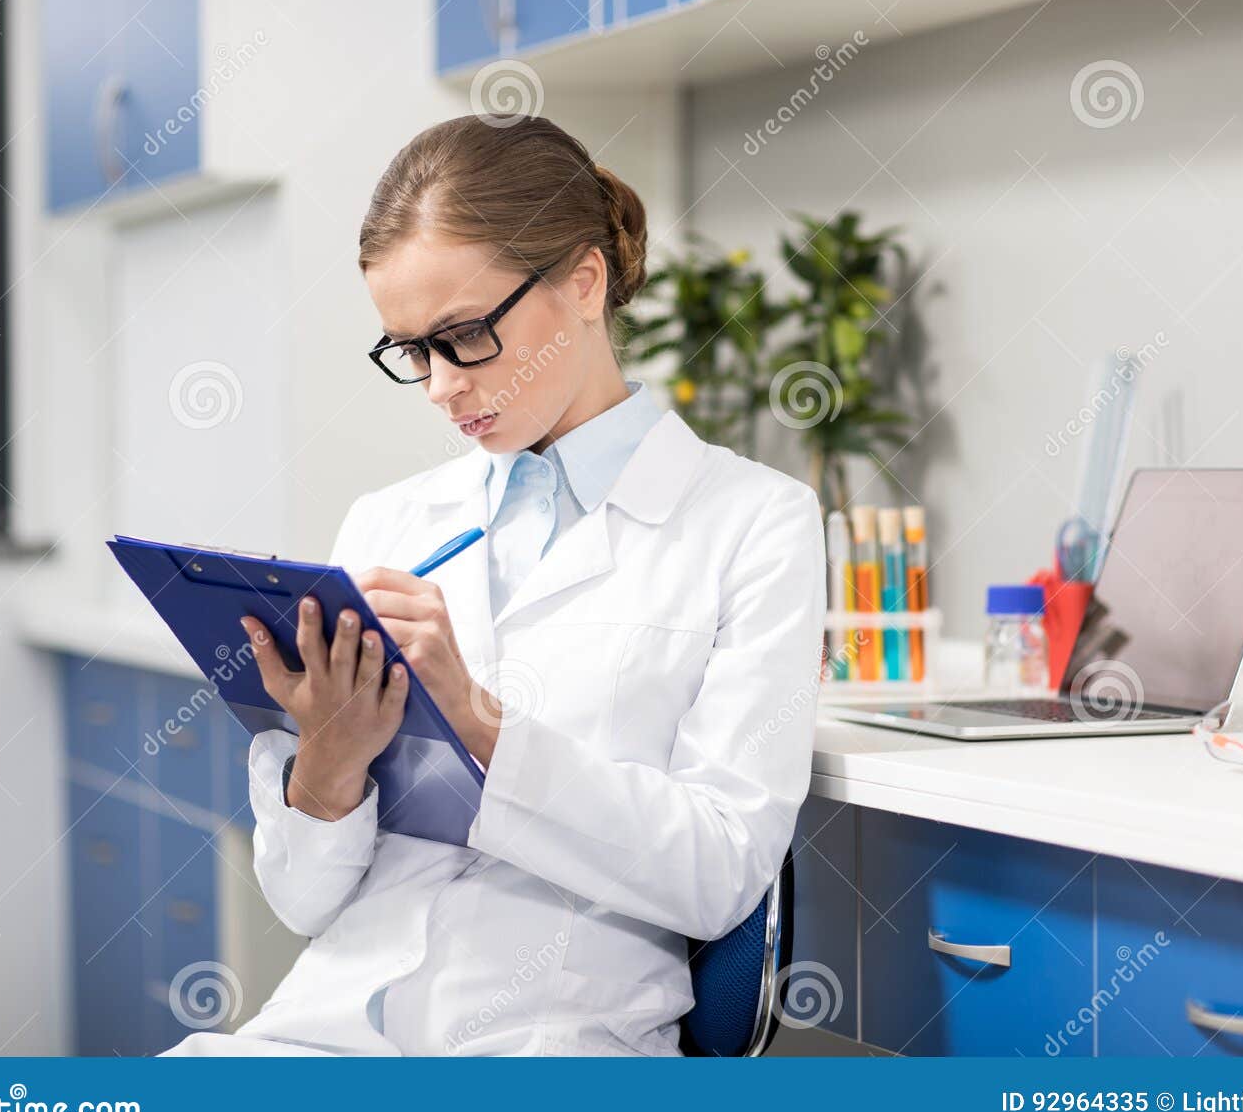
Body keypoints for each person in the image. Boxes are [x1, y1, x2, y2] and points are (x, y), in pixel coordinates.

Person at [164, 114, 825, 1057]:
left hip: (545, 1046)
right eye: (411, 351)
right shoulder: (389, 522)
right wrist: (328, 765)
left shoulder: (753, 522)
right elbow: (303, 902)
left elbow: (721, 872)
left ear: (583, 283)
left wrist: (480, 723)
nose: (440, 386)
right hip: (317, 1039)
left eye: (466, 335)